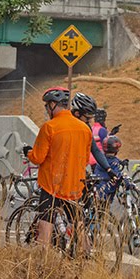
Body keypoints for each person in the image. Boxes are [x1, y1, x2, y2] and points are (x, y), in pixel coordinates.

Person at [24, 87, 93, 247]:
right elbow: (85, 160)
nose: (46, 109)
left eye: (47, 105)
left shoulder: (49, 127)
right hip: (75, 184)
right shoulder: (84, 128)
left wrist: (28, 152)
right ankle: (86, 253)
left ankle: (44, 256)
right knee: (77, 221)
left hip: (51, 185)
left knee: (46, 220)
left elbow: (37, 158)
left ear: (53, 104)